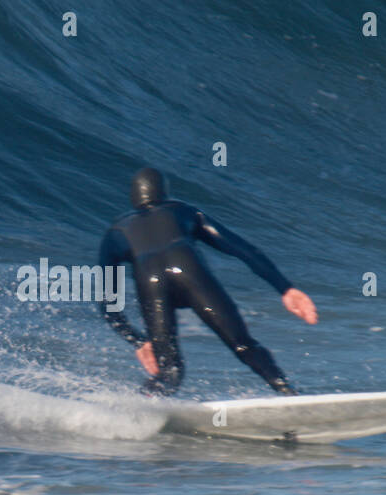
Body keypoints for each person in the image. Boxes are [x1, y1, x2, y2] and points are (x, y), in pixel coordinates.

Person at [98, 167, 317, 396]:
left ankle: (136, 409)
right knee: (243, 346)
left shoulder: (115, 234)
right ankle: (288, 394)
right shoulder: (182, 211)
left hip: (149, 282)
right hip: (188, 271)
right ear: (163, 193)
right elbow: (242, 249)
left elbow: (108, 304)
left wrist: (138, 341)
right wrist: (285, 288)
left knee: (170, 372)